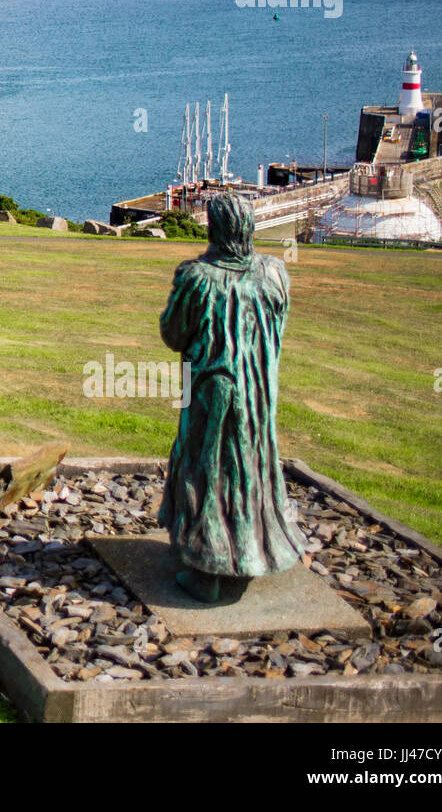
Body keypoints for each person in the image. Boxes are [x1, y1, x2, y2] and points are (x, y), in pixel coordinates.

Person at [158, 193, 307, 603]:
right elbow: (277, 329)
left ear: (213, 228)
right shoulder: (275, 273)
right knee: (250, 467)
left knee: (208, 467)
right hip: (257, 392)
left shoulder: (197, 277)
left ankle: (208, 568)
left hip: (211, 390)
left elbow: (173, 333)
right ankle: (252, 550)